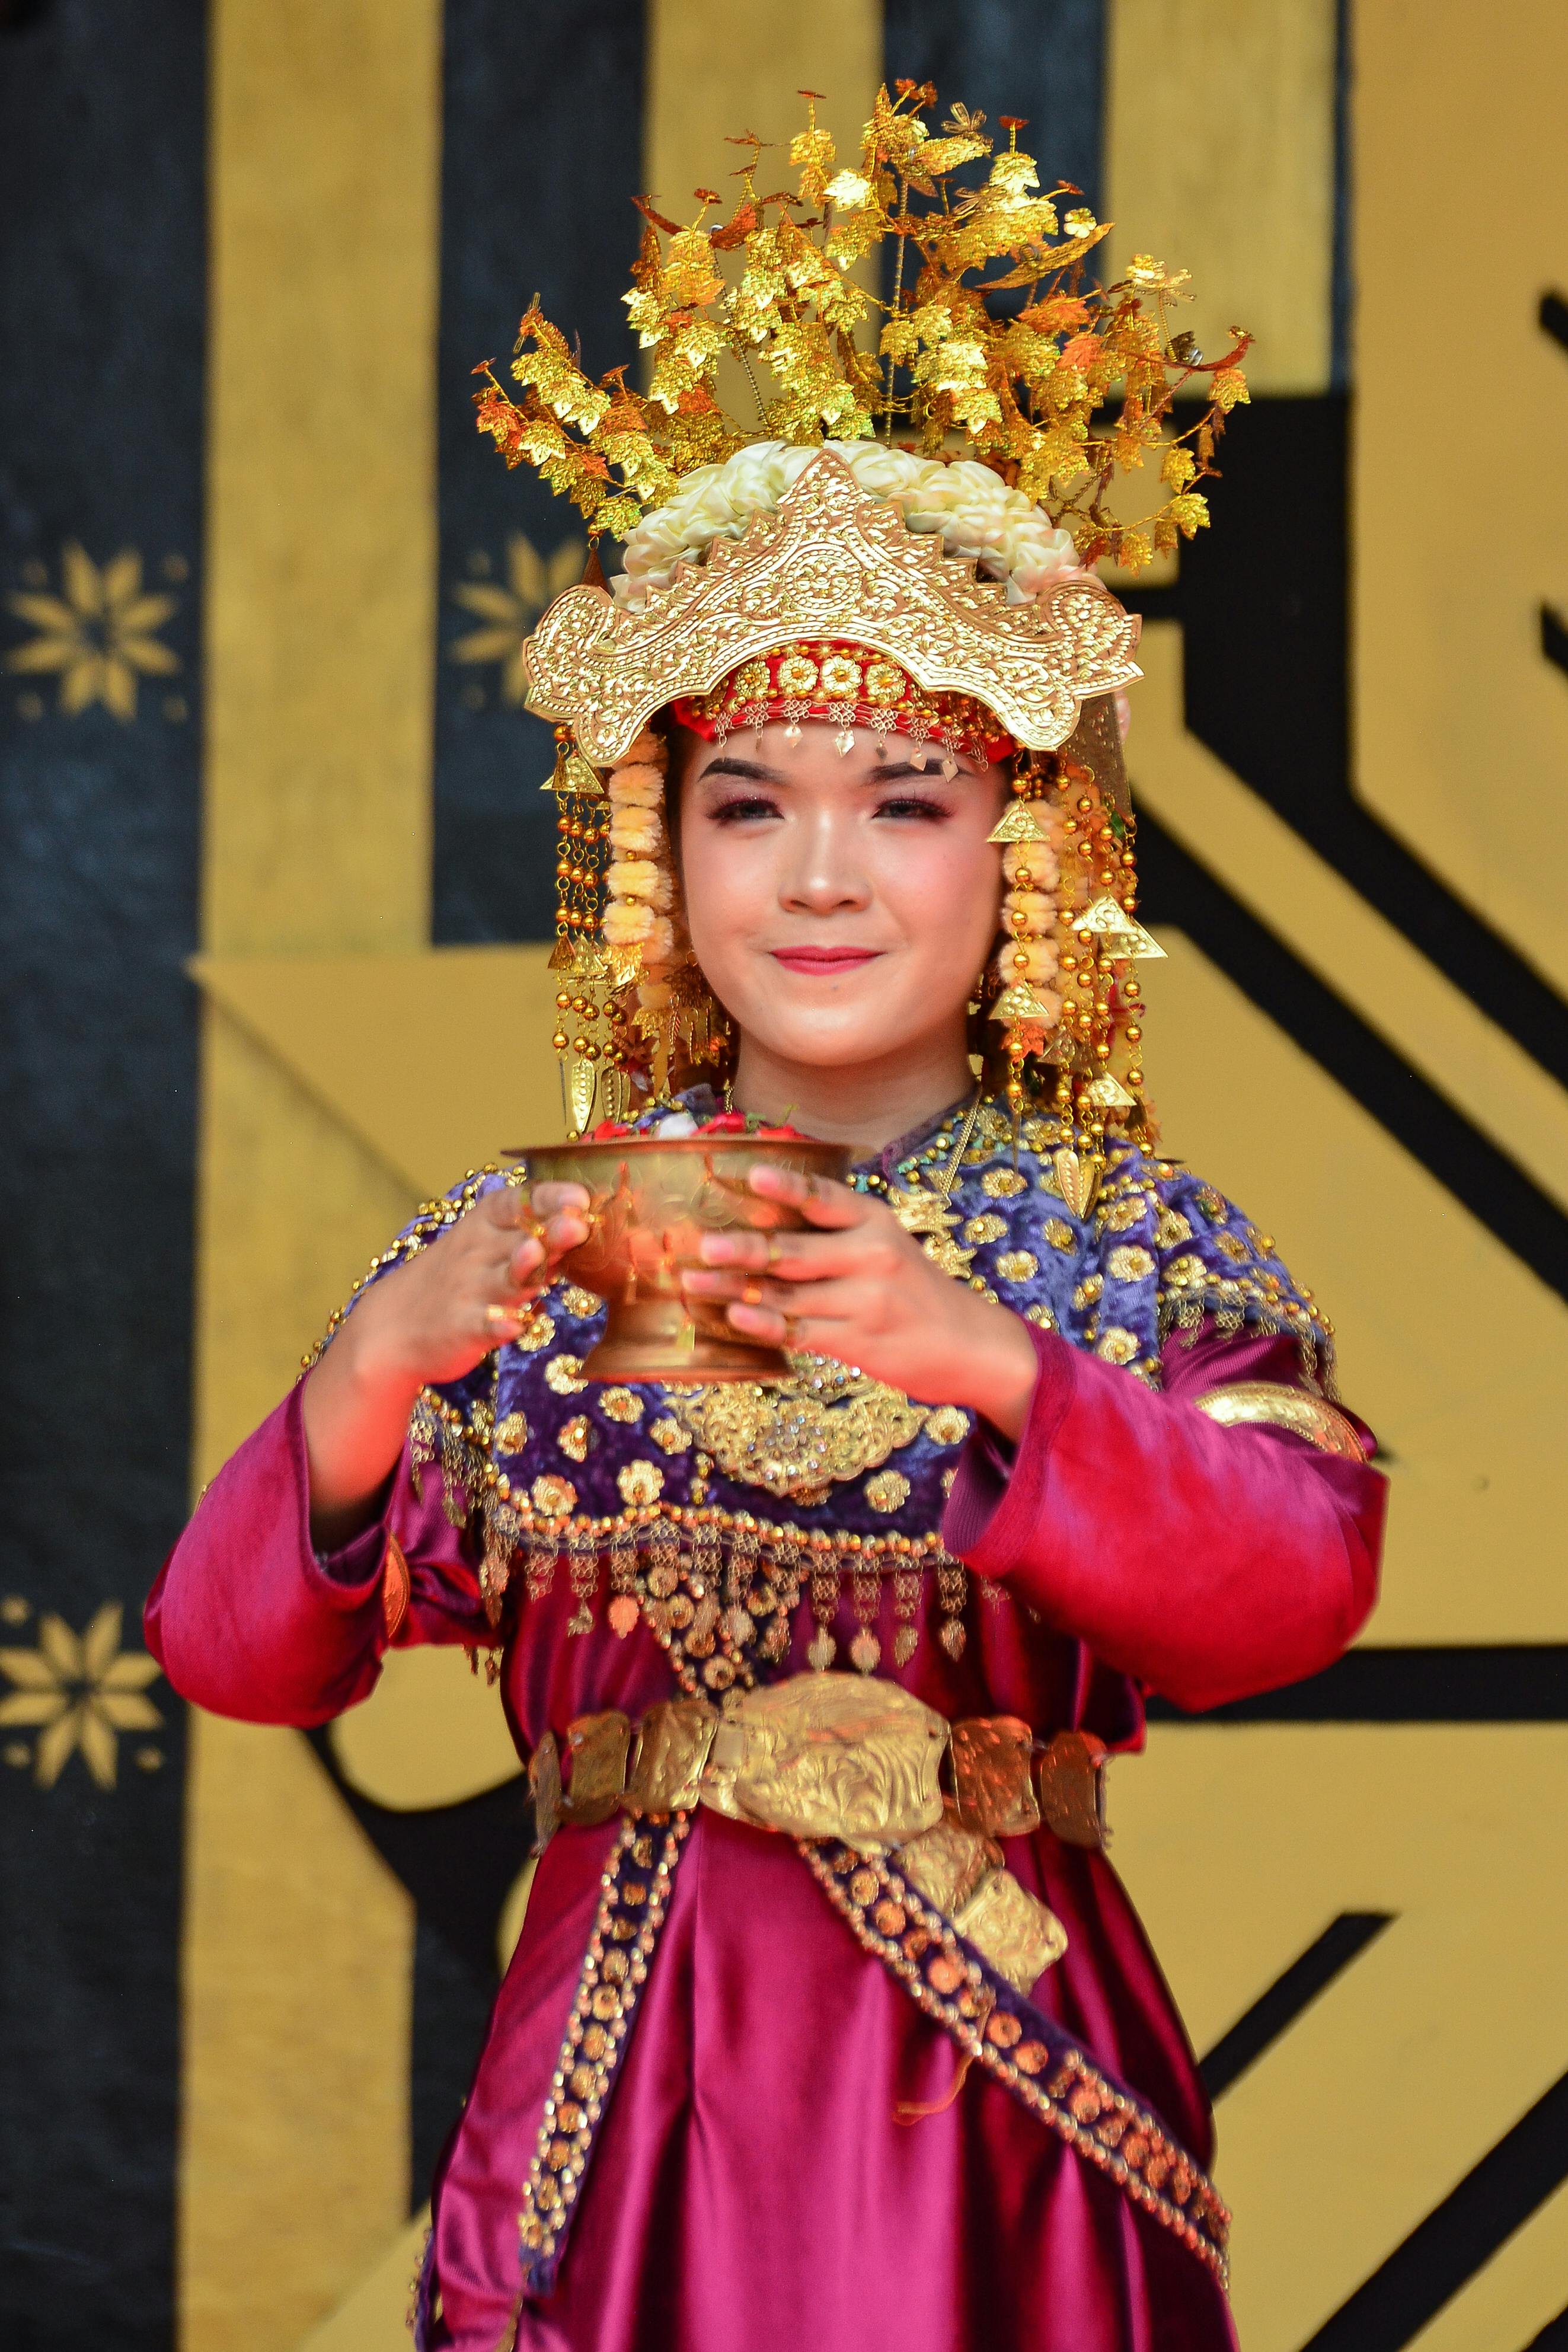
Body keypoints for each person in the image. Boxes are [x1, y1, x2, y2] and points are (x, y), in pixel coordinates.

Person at [148, 88, 1384, 2352]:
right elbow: (240, 1654)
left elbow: (1292, 1591)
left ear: (1017, 847)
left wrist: (992, 1367)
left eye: (905, 802)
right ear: (663, 856)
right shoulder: (523, 1254)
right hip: (622, 2118)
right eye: (749, 804)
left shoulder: (1119, 1244)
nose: (820, 877)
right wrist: (366, 1377)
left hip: (996, 2130)